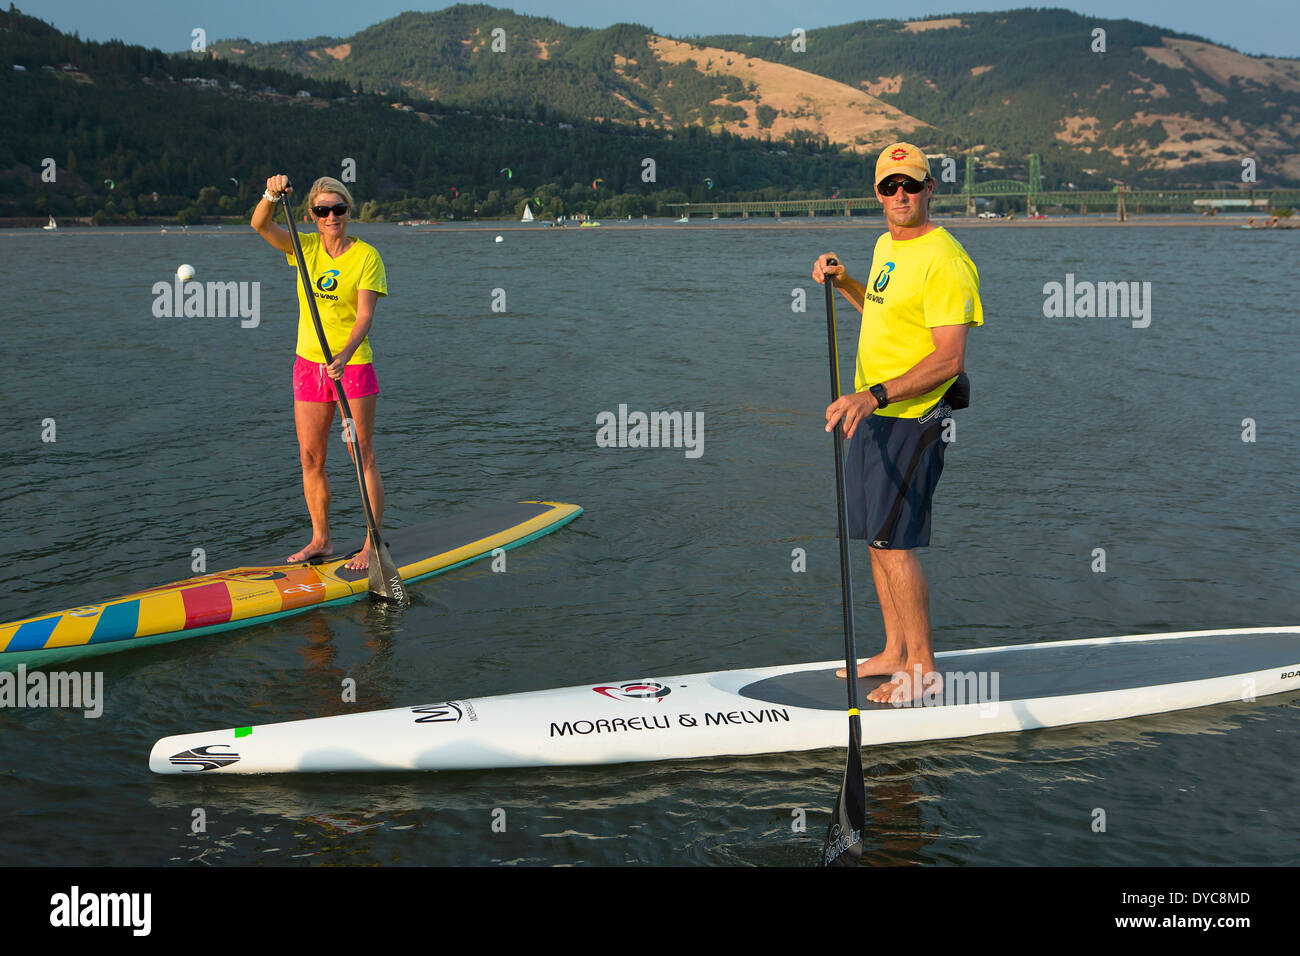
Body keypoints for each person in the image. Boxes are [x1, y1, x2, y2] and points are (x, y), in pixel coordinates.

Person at [812, 143, 983, 705]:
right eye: (890, 187)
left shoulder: (946, 259)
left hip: (913, 416)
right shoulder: (886, 244)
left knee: (894, 541)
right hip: (874, 413)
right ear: (877, 194)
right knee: (875, 540)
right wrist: (845, 284)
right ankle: (893, 650)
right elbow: (883, 315)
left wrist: (874, 394)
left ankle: (923, 669)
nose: (901, 195)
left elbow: (948, 359)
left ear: (930, 188)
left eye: (911, 185)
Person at [251, 174, 389, 571]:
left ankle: (372, 544)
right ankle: (321, 539)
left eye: (339, 209)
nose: (331, 217)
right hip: (308, 366)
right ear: (311, 215)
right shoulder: (303, 247)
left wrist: (345, 355)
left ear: (348, 212)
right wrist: (270, 194)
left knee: (360, 455)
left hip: (352, 368)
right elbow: (260, 224)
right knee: (311, 457)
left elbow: (365, 316)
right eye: (323, 210)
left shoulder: (366, 257)